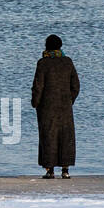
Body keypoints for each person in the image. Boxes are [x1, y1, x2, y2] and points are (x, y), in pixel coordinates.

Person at [31, 34, 79, 179]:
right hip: (65, 106)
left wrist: (35, 102)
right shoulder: (67, 62)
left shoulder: (43, 63)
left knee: (48, 136)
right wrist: (69, 100)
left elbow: (38, 86)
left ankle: (50, 170)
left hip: (47, 107)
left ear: (47, 46)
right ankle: (65, 170)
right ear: (60, 46)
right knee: (66, 136)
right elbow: (76, 86)